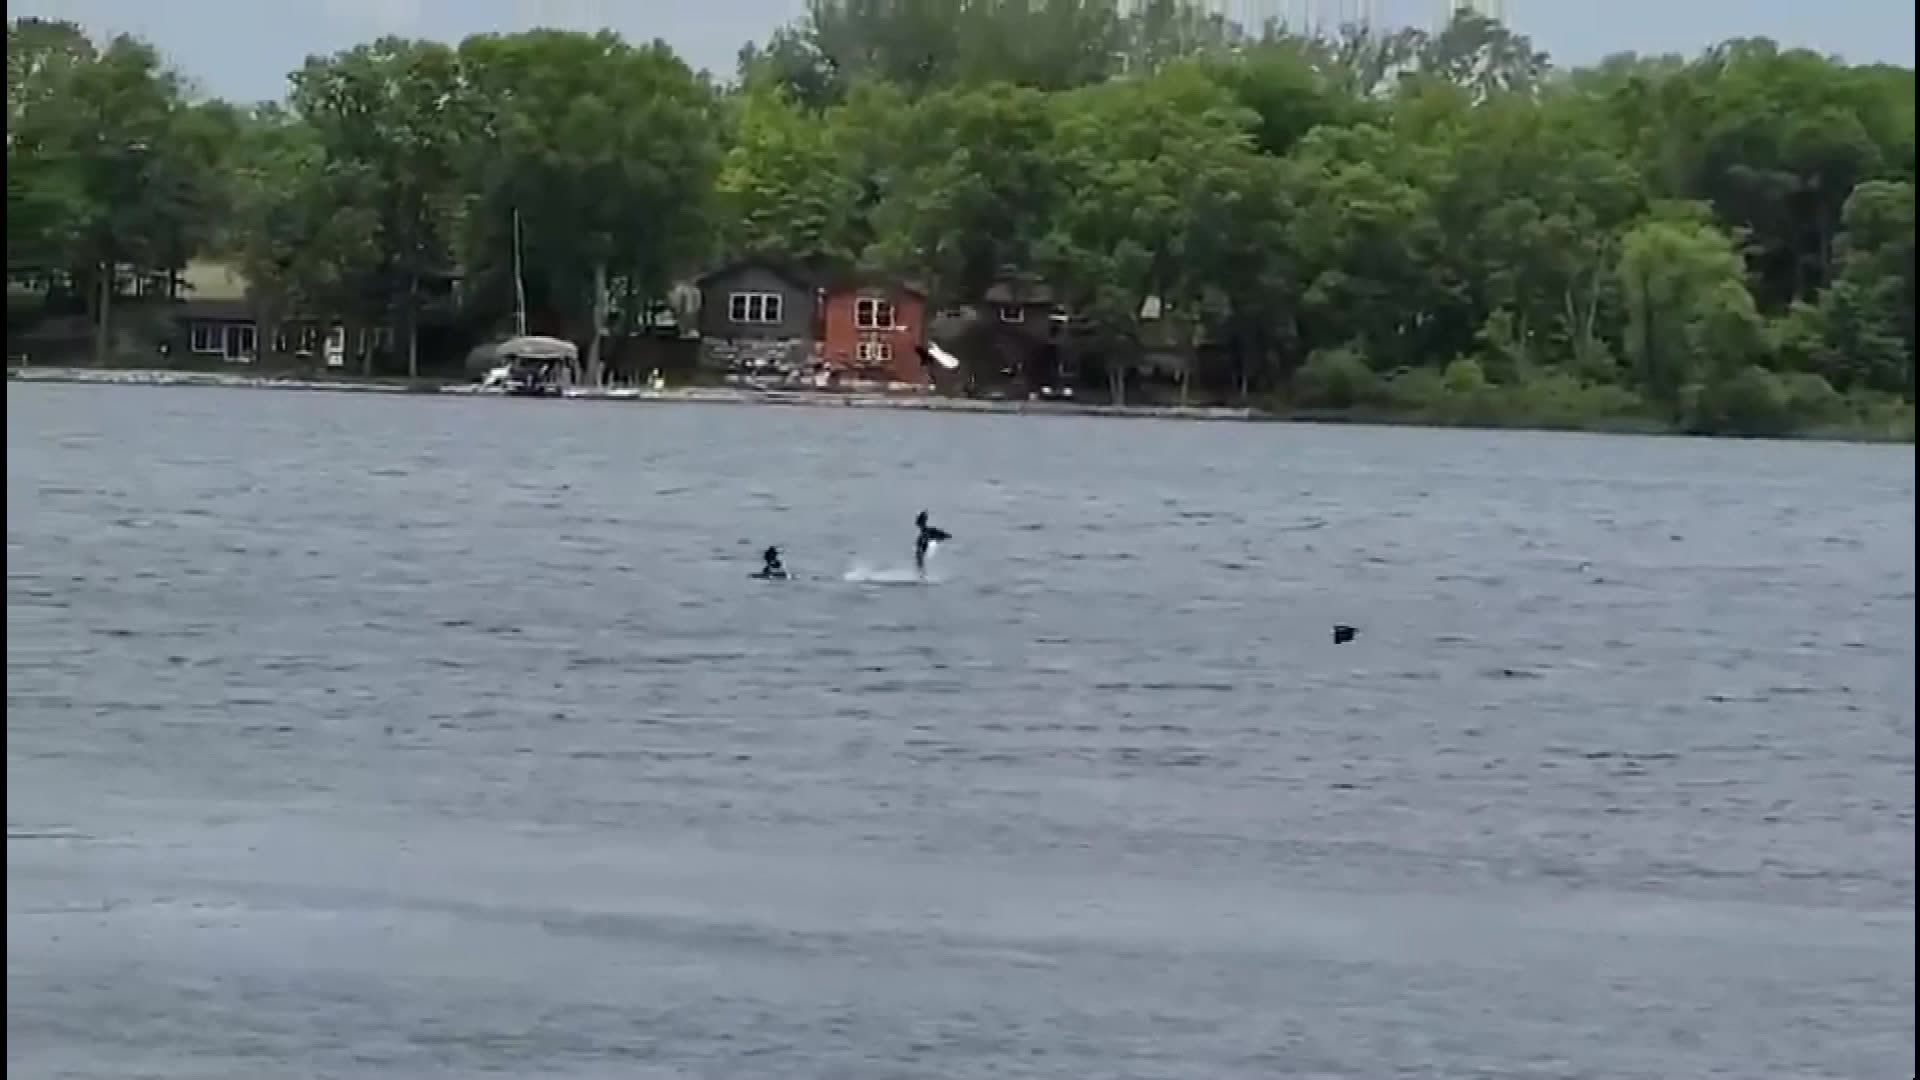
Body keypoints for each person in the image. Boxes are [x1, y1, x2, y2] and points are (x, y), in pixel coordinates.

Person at [913, 512, 951, 576]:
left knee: (919, 555)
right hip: (926, 544)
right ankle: (922, 574)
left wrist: (944, 536)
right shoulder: (925, 532)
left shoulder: (930, 531)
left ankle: (922, 574)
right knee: (919, 555)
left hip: (929, 543)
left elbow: (944, 536)